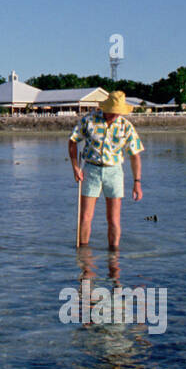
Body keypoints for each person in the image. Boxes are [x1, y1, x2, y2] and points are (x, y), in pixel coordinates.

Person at [69, 90, 144, 251]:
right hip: (91, 170)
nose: (114, 116)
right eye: (112, 112)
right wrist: (75, 168)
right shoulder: (88, 121)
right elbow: (72, 141)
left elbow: (135, 155)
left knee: (114, 220)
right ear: (105, 108)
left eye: (118, 113)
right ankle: (84, 259)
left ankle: (114, 260)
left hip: (114, 172)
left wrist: (137, 182)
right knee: (85, 217)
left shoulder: (126, 126)